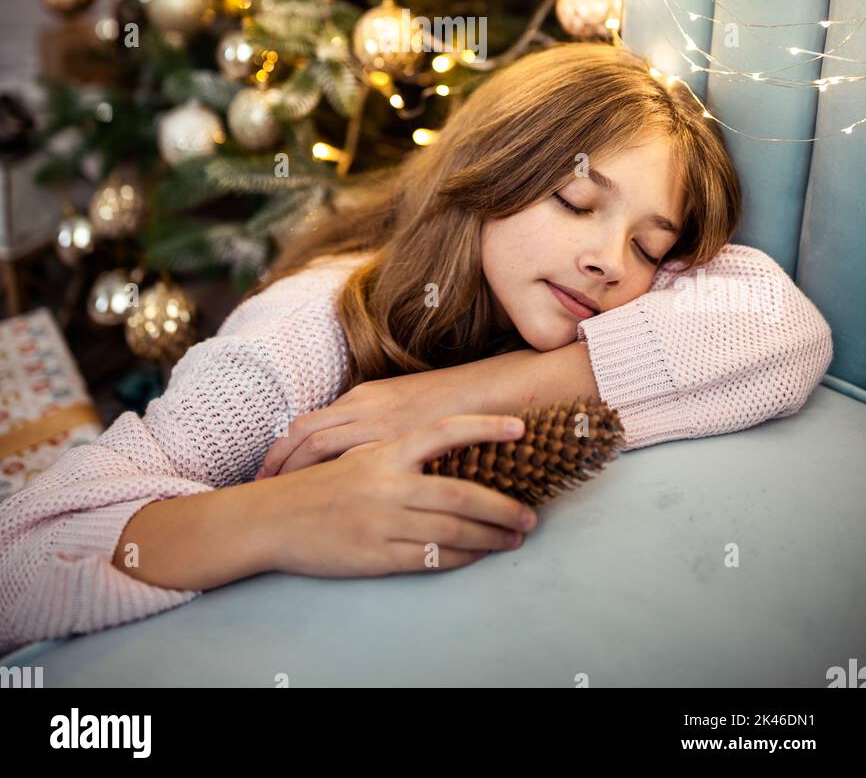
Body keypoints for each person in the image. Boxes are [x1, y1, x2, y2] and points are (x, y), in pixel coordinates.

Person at [0, 43, 832, 653]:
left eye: (652, 249)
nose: (612, 262)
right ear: (489, 170)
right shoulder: (300, 337)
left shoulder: (571, 309)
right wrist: (292, 515)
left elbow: (783, 324)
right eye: (577, 201)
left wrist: (468, 391)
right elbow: (24, 555)